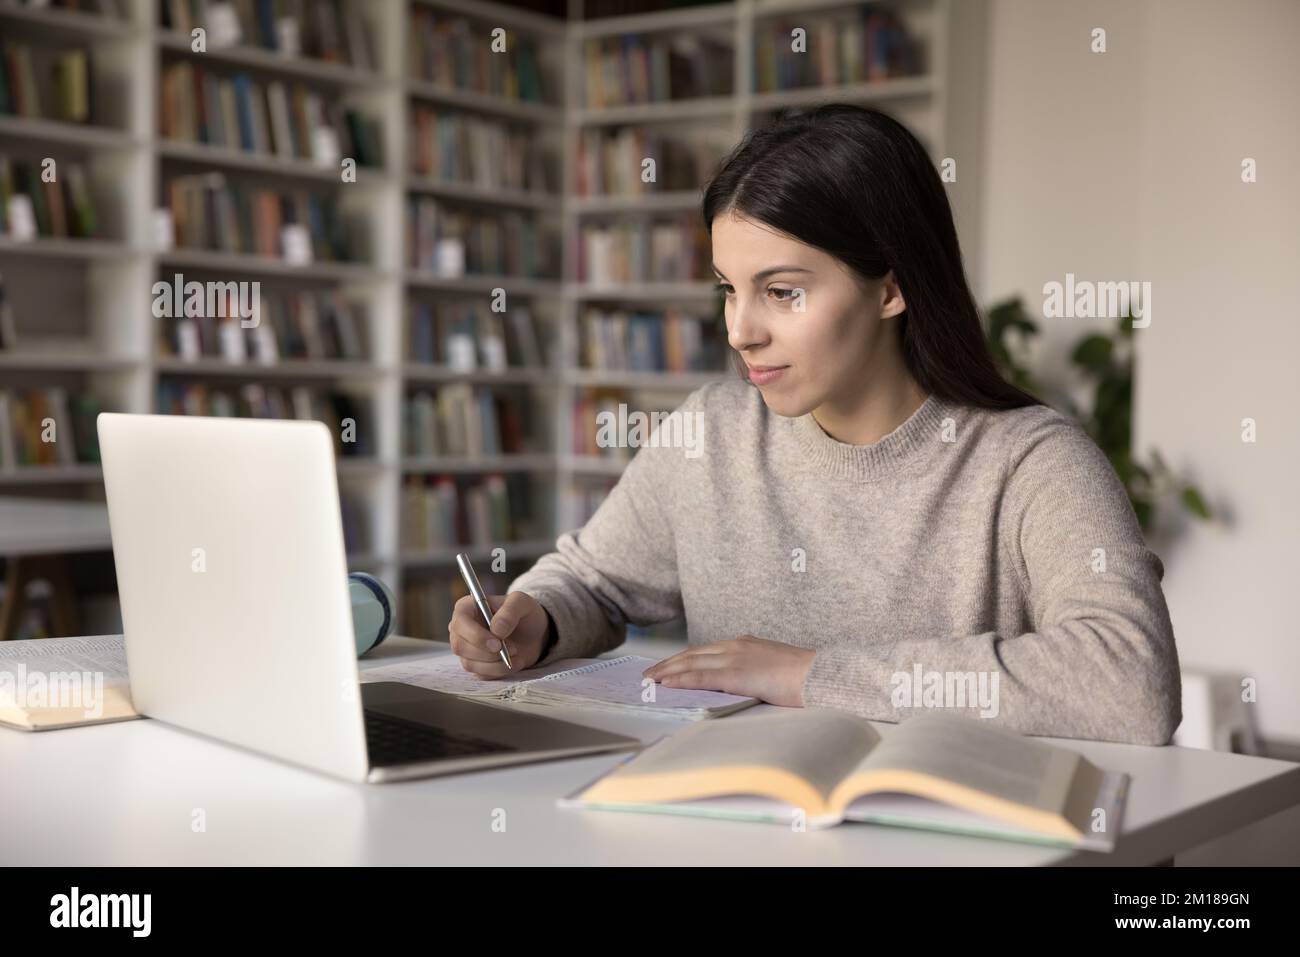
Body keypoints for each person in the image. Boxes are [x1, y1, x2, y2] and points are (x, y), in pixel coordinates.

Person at [446, 104, 1181, 745]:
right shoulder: (712, 434)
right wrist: (533, 619)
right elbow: (593, 580)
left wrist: (809, 674)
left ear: (890, 287)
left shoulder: (1031, 461)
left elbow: (1129, 681)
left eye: (782, 292)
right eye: (729, 290)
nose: (740, 329)